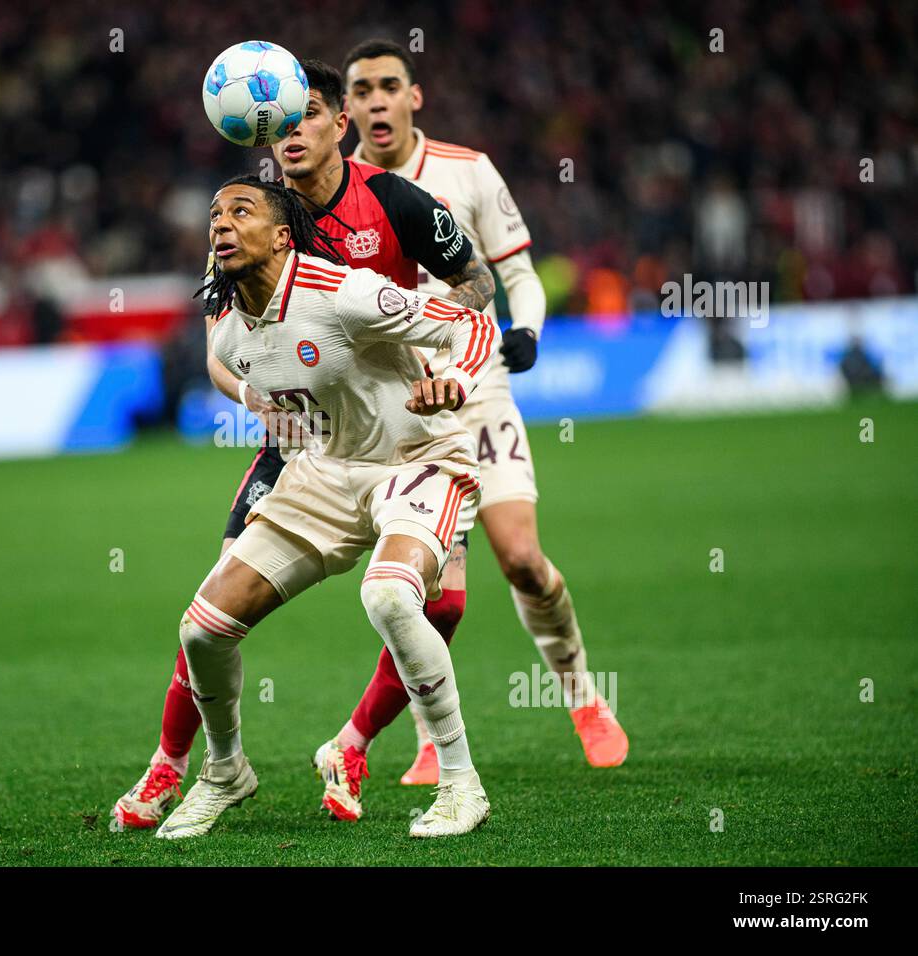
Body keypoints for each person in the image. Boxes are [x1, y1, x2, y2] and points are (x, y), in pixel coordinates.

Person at [114, 59, 496, 828]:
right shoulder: (231, 309)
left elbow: (473, 307)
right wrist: (257, 398)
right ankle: (212, 770)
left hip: (416, 447)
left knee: (406, 598)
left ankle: (454, 779)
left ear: (336, 124)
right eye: (215, 219)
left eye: (307, 115)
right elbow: (230, 356)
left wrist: (450, 374)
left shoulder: (367, 242)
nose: (220, 227)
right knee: (203, 623)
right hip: (317, 457)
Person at [329, 38, 629, 790]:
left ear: (413, 96)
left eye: (387, 87)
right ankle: (434, 738)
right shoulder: (330, 193)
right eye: (360, 91)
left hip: (479, 391)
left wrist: (525, 330)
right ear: (345, 110)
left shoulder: (468, 170)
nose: (374, 102)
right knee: (439, 599)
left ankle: (582, 697)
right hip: (403, 414)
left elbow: (517, 273)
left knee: (523, 560)